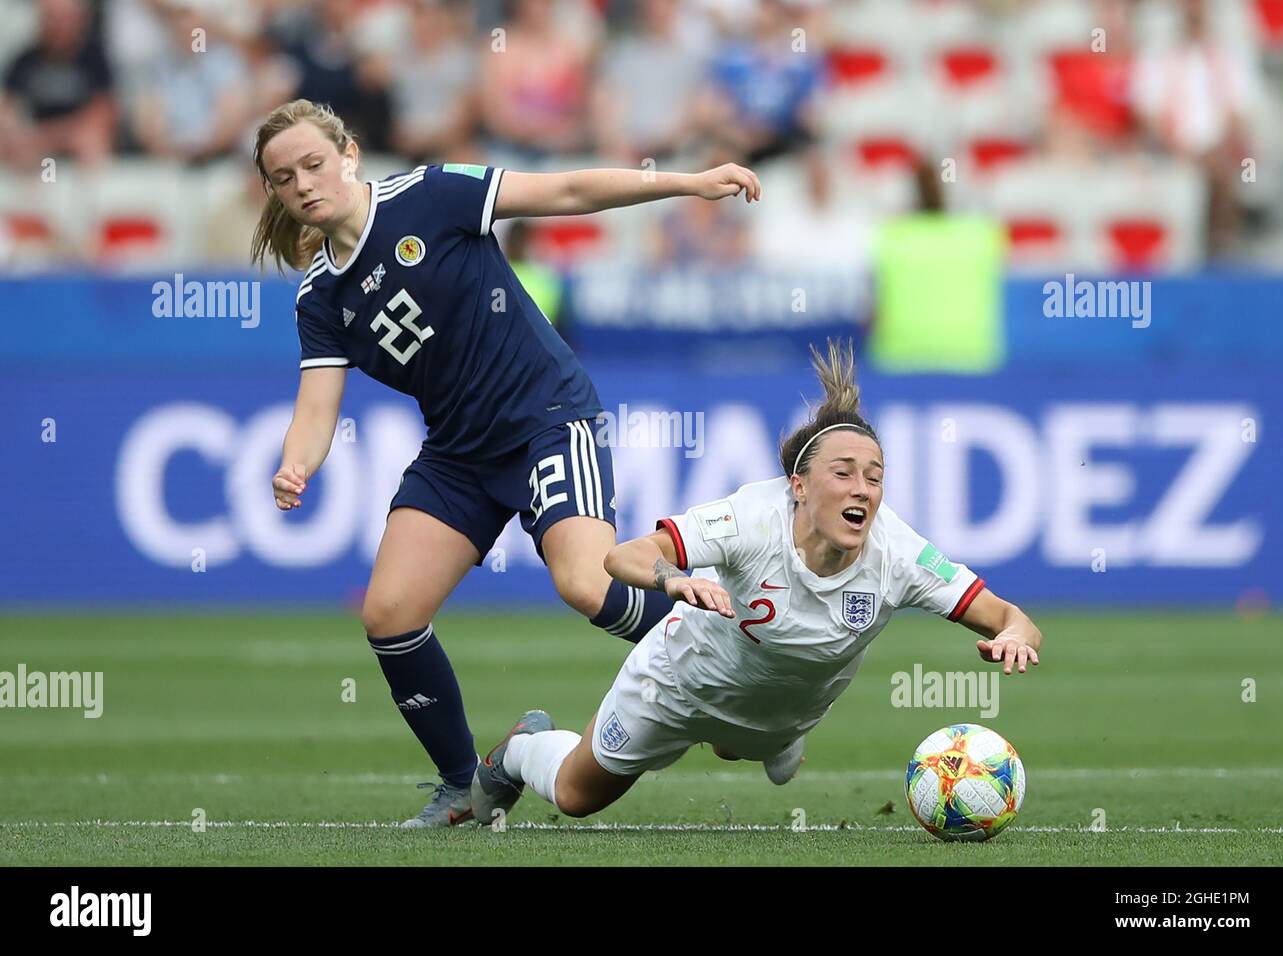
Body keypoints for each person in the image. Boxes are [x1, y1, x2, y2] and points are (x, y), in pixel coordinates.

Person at [250, 99, 761, 827]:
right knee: (389, 613)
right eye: (282, 177)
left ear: (350, 154)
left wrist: (686, 183)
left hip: (546, 419)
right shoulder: (320, 298)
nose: (302, 184)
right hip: (460, 453)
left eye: (313, 163)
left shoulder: (429, 196)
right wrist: (294, 466)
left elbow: (566, 192)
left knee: (586, 584)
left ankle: (724, 664)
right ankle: (464, 785)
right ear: (272, 192)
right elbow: (314, 408)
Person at [471, 342, 1043, 823]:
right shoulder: (750, 518)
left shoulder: (900, 553)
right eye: (842, 473)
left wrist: (1016, 637)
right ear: (798, 485)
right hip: (676, 684)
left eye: (874, 477)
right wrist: (672, 580)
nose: (862, 489)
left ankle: (762, 737)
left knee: (755, 748)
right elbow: (624, 557)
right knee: (575, 798)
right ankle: (519, 749)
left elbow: (1012, 618)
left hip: (783, 713)